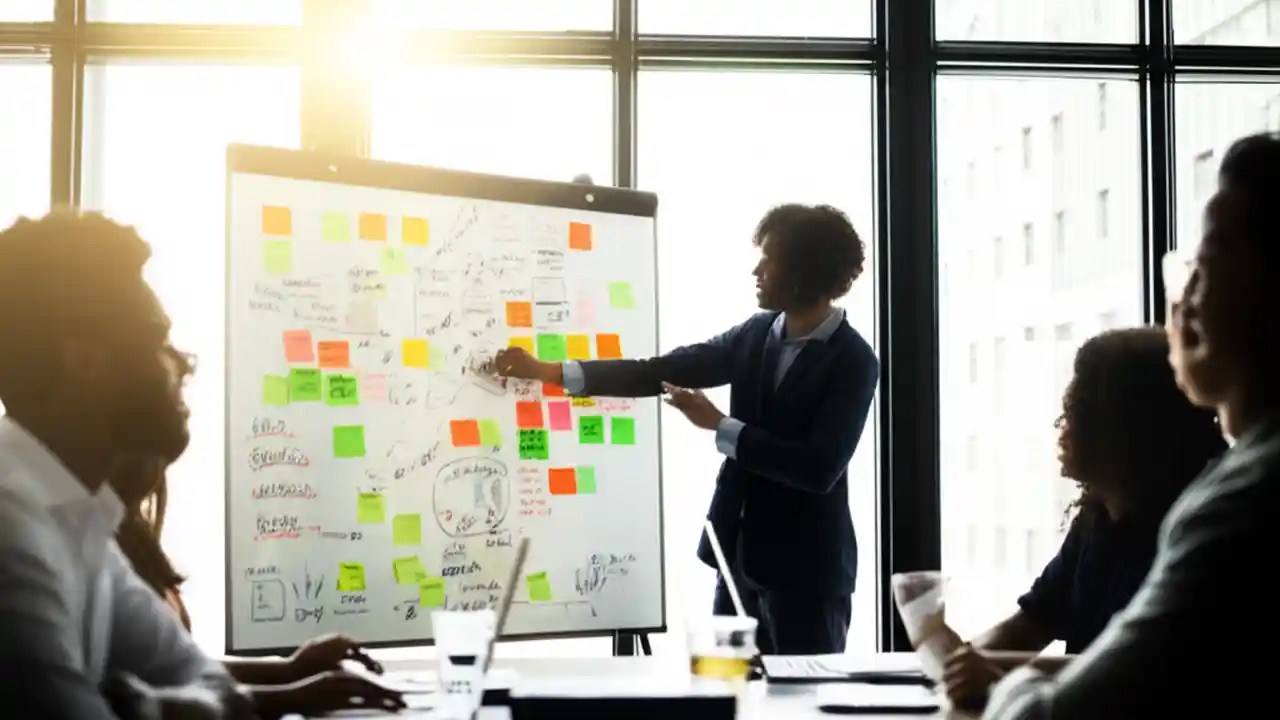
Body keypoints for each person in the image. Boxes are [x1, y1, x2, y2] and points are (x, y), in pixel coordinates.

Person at [0, 210, 400, 719]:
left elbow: (200, 677)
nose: (182, 362)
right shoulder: (12, 529)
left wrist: (153, 708)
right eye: (155, 337)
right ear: (84, 359)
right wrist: (159, 710)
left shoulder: (79, 516)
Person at [983, 134, 1280, 718]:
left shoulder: (1239, 507)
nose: (1186, 294)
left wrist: (1007, 688)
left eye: (1209, 261)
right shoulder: (1212, 492)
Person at [495, 203, 879, 654]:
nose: (756, 270)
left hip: (807, 577)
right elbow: (657, 370)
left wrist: (720, 426)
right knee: (733, 699)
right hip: (737, 562)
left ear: (803, 271)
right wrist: (551, 371)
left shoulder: (853, 360)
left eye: (769, 259)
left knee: (803, 706)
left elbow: (819, 469)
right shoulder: (755, 335)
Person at [942, 327, 1225, 709]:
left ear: (1129, 427)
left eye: (1081, 407)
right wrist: (963, 661)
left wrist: (993, 667)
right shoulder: (1097, 519)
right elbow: (1032, 622)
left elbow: (1130, 670)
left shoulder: (1191, 531)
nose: (1063, 422)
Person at [112, 456, 401, 716]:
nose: (183, 406)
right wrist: (292, 696)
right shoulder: (97, 546)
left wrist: (292, 669)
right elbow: (145, 695)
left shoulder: (131, 531)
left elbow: (184, 669)